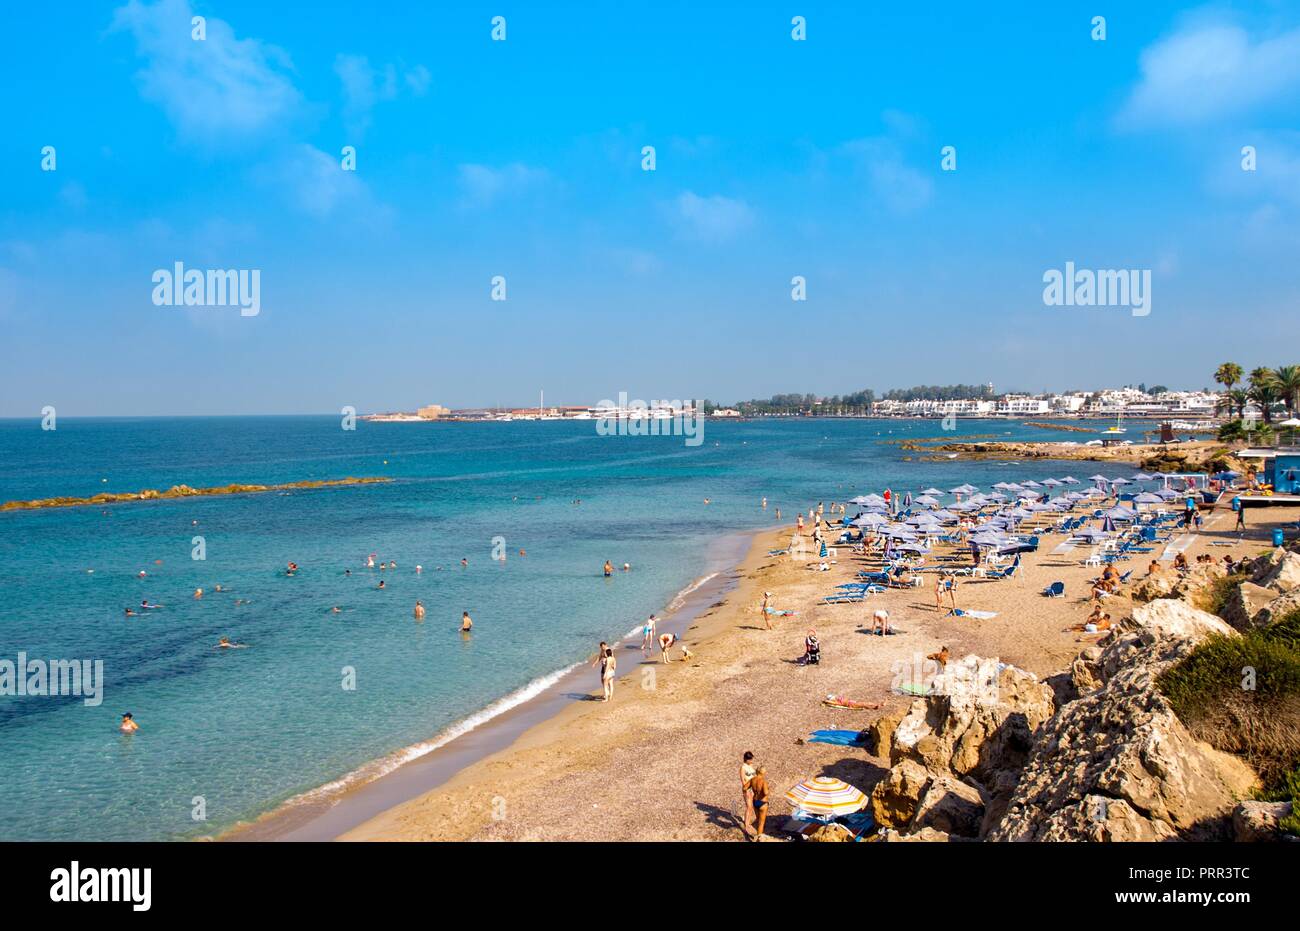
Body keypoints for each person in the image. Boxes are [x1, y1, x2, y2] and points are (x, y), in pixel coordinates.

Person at [749, 766, 770, 840]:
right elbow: (766, 792)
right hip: (762, 802)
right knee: (761, 823)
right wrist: (768, 789)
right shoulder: (763, 781)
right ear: (763, 772)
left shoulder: (752, 780)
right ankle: (758, 838)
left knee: (758, 820)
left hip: (755, 801)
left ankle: (758, 834)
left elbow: (744, 788)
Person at [740, 752, 757, 838]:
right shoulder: (743, 768)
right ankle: (746, 824)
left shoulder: (750, 766)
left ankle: (748, 821)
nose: (752, 761)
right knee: (749, 806)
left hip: (752, 789)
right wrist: (747, 790)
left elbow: (754, 776)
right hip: (747, 789)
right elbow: (743, 781)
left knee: (751, 807)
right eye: (751, 759)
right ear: (747, 759)